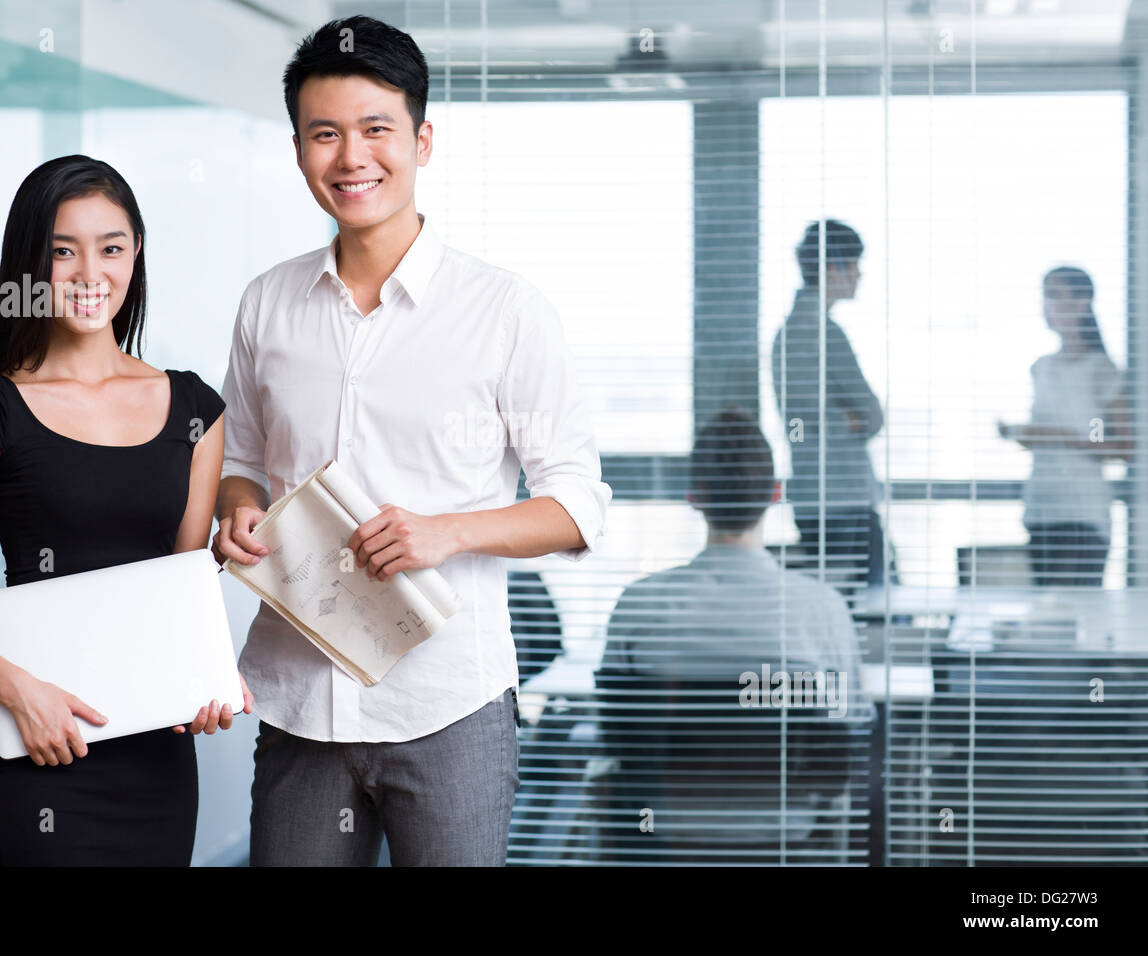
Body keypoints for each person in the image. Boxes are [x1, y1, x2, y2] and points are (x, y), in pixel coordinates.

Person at [212, 15, 610, 867]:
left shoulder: (505, 311)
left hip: (448, 705)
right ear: (297, 151)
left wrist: (449, 530)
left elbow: (580, 504)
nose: (351, 157)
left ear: (422, 140)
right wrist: (238, 513)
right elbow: (240, 462)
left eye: (375, 129)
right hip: (298, 699)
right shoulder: (266, 304)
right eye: (326, 134)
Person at [0, 155, 252, 866]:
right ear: (29, 263)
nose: (90, 272)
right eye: (62, 251)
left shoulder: (197, 409)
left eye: (111, 248)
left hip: (156, 760)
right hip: (36, 754)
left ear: (135, 255)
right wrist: (19, 692)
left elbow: (181, 583)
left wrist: (207, 678)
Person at [595, 407, 864, 853]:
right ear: (776, 493)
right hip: (785, 836)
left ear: (693, 497)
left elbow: (618, 731)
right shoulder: (822, 609)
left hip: (666, 835)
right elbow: (847, 729)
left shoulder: (638, 603)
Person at [771, 219, 892, 589]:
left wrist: (827, 421)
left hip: (814, 496)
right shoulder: (823, 332)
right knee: (872, 612)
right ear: (832, 268)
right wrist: (846, 420)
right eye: (855, 265)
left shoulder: (788, 332)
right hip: (843, 499)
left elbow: (800, 424)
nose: (860, 275)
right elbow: (871, 416)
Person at [998, 266, 1132, 586]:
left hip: (1082, 512)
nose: (1048, 305)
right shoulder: (1042, 367)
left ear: (1083, 302)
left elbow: (1104, 441)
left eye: (1056, 295)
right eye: (1046, 295)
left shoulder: (1098, 369)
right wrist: (1023, 434)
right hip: (1042, 506)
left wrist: (1054, 436)